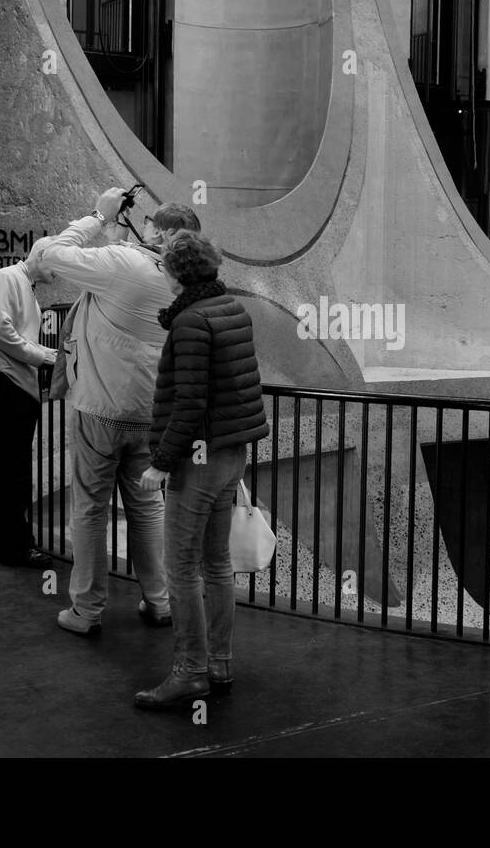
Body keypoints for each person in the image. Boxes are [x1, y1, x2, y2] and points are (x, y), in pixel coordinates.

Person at [42, 190, 200, 637]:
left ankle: (86, 610)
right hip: (149, 412)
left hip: (100, 408)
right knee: (147, 508)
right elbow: (110, 271)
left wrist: (98, 214)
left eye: (150, 222)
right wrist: (116, 230)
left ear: (165, 234)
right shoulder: (177, 280)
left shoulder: (125, 265)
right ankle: (160, 600)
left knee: (90, 509)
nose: (142, 225)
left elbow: (50, 253)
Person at [134, 233, 269, 709]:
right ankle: (220, 665)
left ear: (176, 272)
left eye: (164, 265)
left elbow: (189, 403)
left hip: (199, 457)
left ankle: (190, 671)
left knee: (180, 568)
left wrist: (159, 464)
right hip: (231, 455)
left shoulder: (190, 322)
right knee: (217, 565)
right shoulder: (231, 309)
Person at [0, 239, 58, 567]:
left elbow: (9, 332)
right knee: (14, 470)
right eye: (57, 264)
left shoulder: (18, 281)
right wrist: (44, 357)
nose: (60, 272)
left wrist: (44, 356)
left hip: (13, 384)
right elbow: (0, 331)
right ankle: (13, 544)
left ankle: (3, 541)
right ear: (39, 256)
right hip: (6, 383)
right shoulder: (8, 278)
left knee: (11, 469)